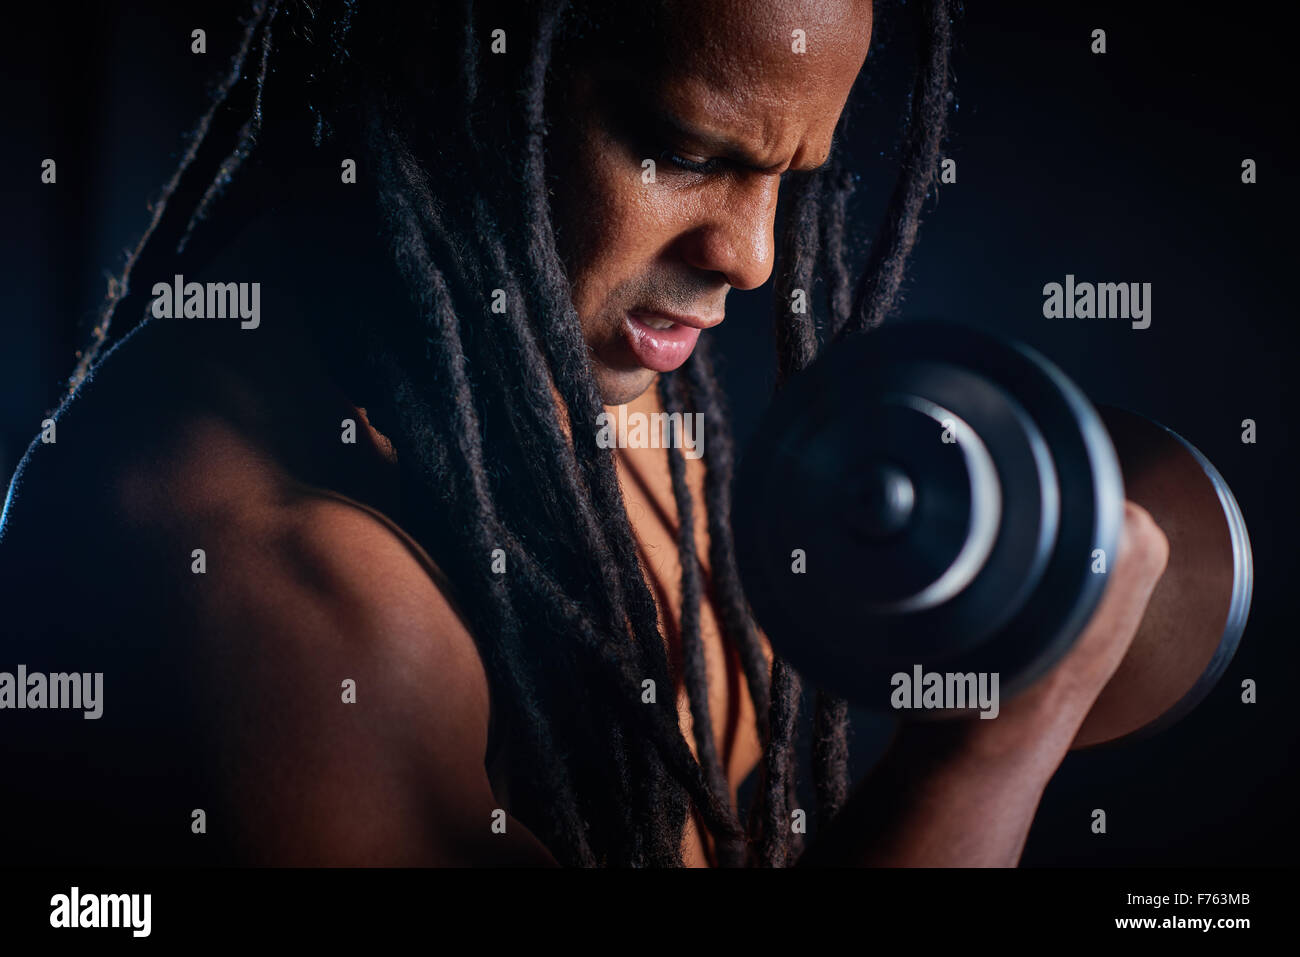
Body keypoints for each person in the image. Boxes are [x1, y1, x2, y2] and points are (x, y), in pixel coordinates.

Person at [0, 0, 1168, 867]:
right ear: (444, 65)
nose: (751, 258)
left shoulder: (553, 360)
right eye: (686, 152)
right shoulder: (276, 593)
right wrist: (990, 748)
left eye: (789, 178)